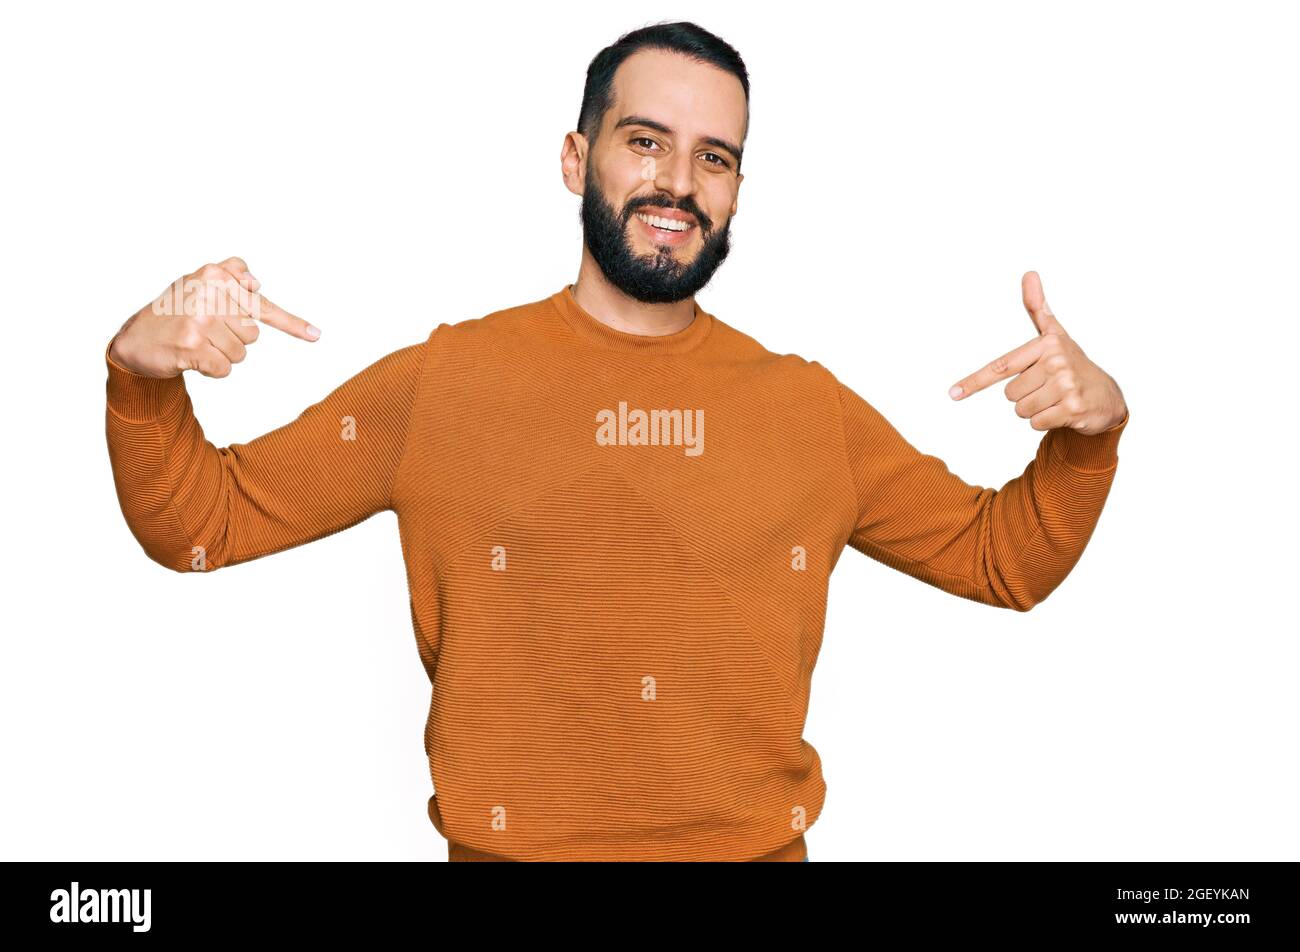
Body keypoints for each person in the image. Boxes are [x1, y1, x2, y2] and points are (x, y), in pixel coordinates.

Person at [103, 21, 1128, 863]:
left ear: (734, 191)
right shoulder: (447, 383)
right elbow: (204, 522)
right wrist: (141, 375)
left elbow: (1006, 560)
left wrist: (1091, 433)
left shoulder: (808, 410)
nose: (677, 182)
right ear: (573, 157)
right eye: (644, 141)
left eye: (712, 157)